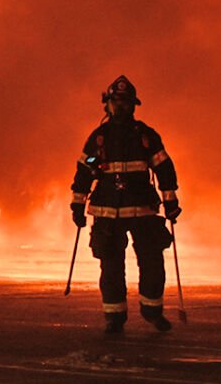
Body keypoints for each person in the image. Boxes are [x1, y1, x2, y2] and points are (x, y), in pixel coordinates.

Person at [70, 75, 181, 334]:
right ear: (107, 104)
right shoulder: (99, 138)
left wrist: (171, 201)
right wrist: (77, 204)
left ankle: (153, 312)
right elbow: (84, 170)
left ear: (133, 105)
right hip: (107, 211)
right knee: (111, 268)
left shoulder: (146, 136)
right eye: (116, 102)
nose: (120, 106)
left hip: (143, 210)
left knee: (152, 264)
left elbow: (164, 168)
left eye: (125, 102)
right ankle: (114, 317)